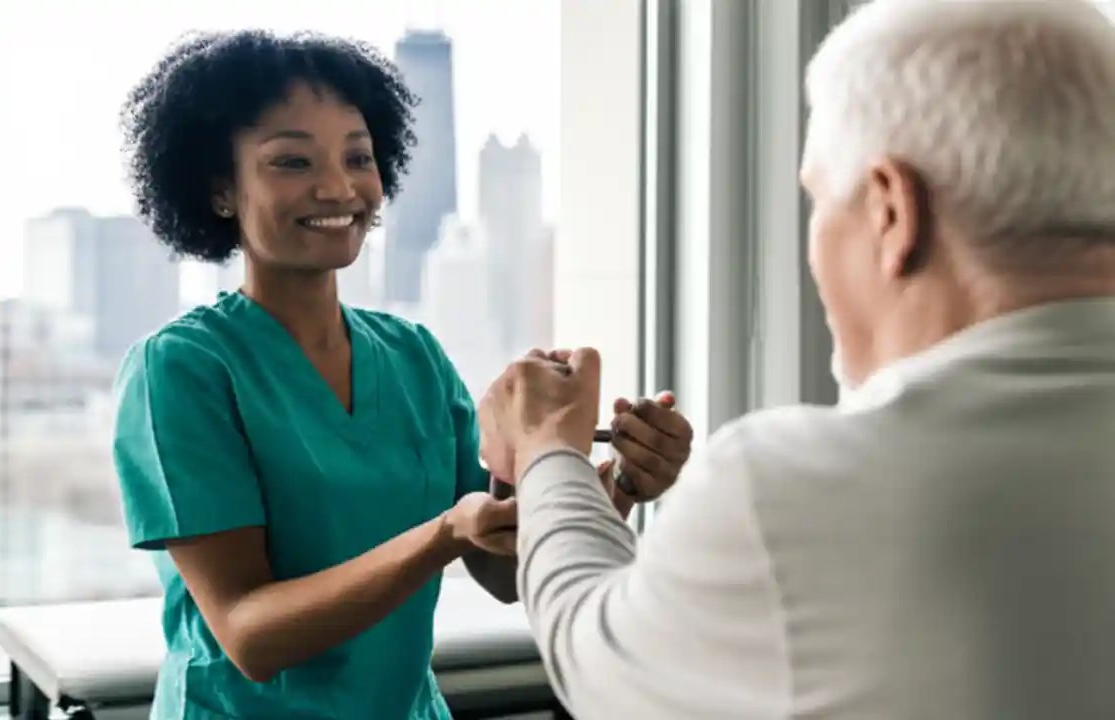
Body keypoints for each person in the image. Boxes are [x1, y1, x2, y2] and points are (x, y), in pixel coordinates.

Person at [476, 1, 1115, 718]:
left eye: (818, 201)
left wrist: (545, 452)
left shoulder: (797, 486)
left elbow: (593, 659)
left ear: (889, 210)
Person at [109, 29, 692, 720]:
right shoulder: (181, 369)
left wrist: (621, 483)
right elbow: (249, 635)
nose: (337, 186)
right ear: (220, 190)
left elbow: (505, 567)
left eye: (358, 156)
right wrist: (443, 534)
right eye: (291, 161)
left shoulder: (413, 355)